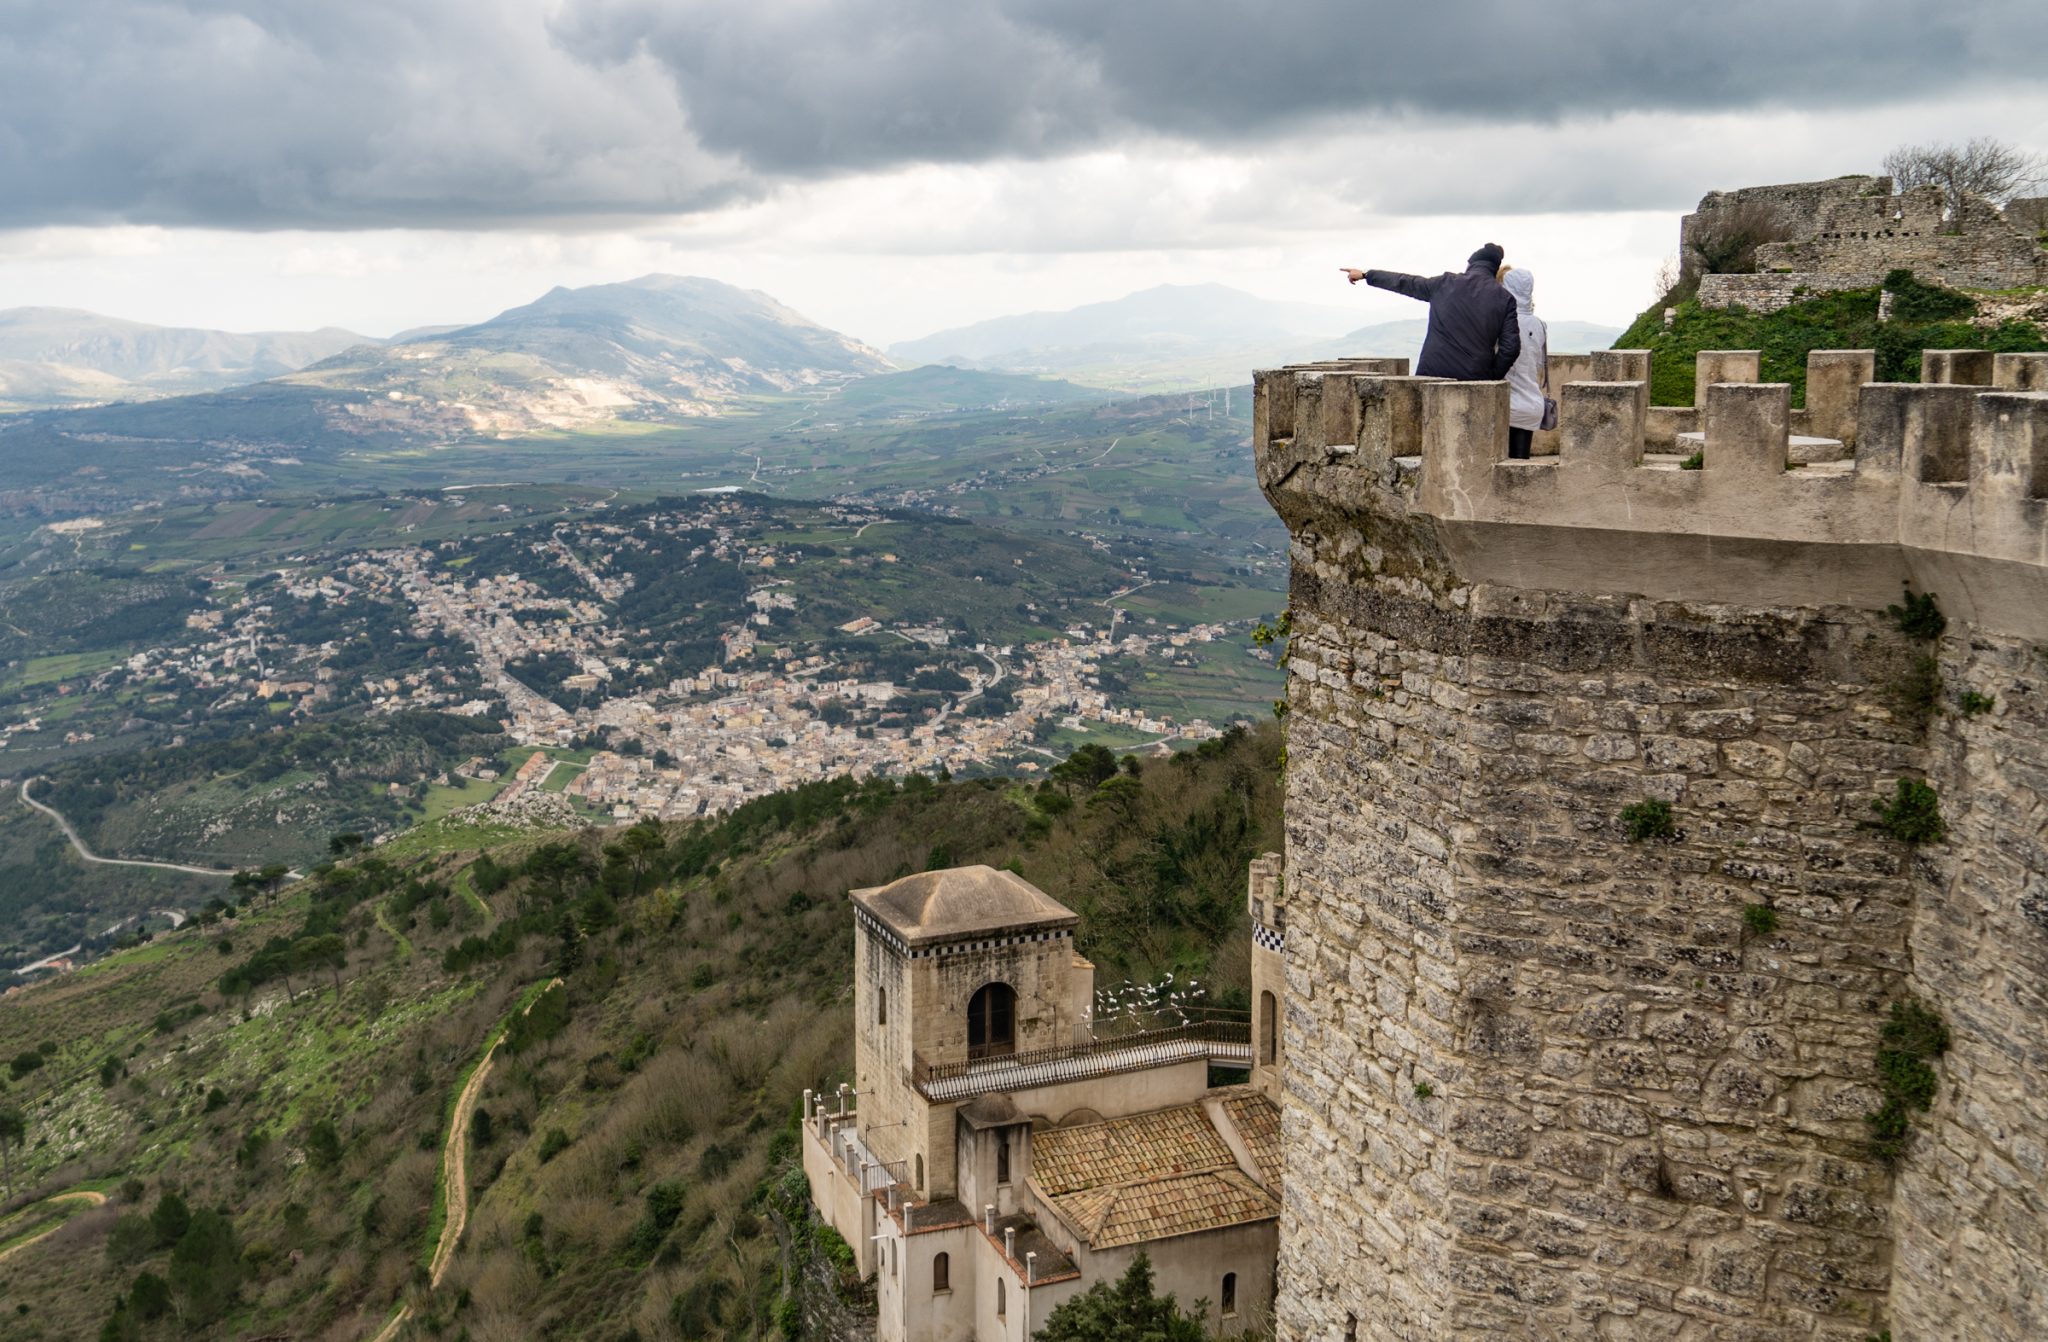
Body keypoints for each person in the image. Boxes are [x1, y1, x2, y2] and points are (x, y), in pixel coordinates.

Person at [1341, 244, 1519, 382]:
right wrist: (1491, 375)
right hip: (1476, 378)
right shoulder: (1505, 299)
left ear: (1471, 264)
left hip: (1431, 374)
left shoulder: (1444, 284)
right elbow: (1511, 348)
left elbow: (1405, 282)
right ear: (1494, 269)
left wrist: (1366, 275)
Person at [1498, 266, 1549, 459]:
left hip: (1506, 405)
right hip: (1532, 405)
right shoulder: (1539, 325)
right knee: (1519, 470)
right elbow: (1538, 365)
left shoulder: (1503, 321)